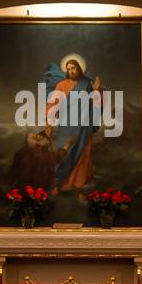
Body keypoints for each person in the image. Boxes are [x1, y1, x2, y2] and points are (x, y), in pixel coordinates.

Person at [42, 54, 102, 193]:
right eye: (68, 69)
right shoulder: (61, 85)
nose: (71, 71)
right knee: (64, 153)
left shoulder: (88, 84)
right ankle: (58, 184)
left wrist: (97, 91)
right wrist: (49, 122)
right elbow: (53, 103)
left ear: (79, 68)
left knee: (83, 156)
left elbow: (96, 104)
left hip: (84, 127)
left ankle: (80, 187)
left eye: (73, 68)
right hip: (67, 126)